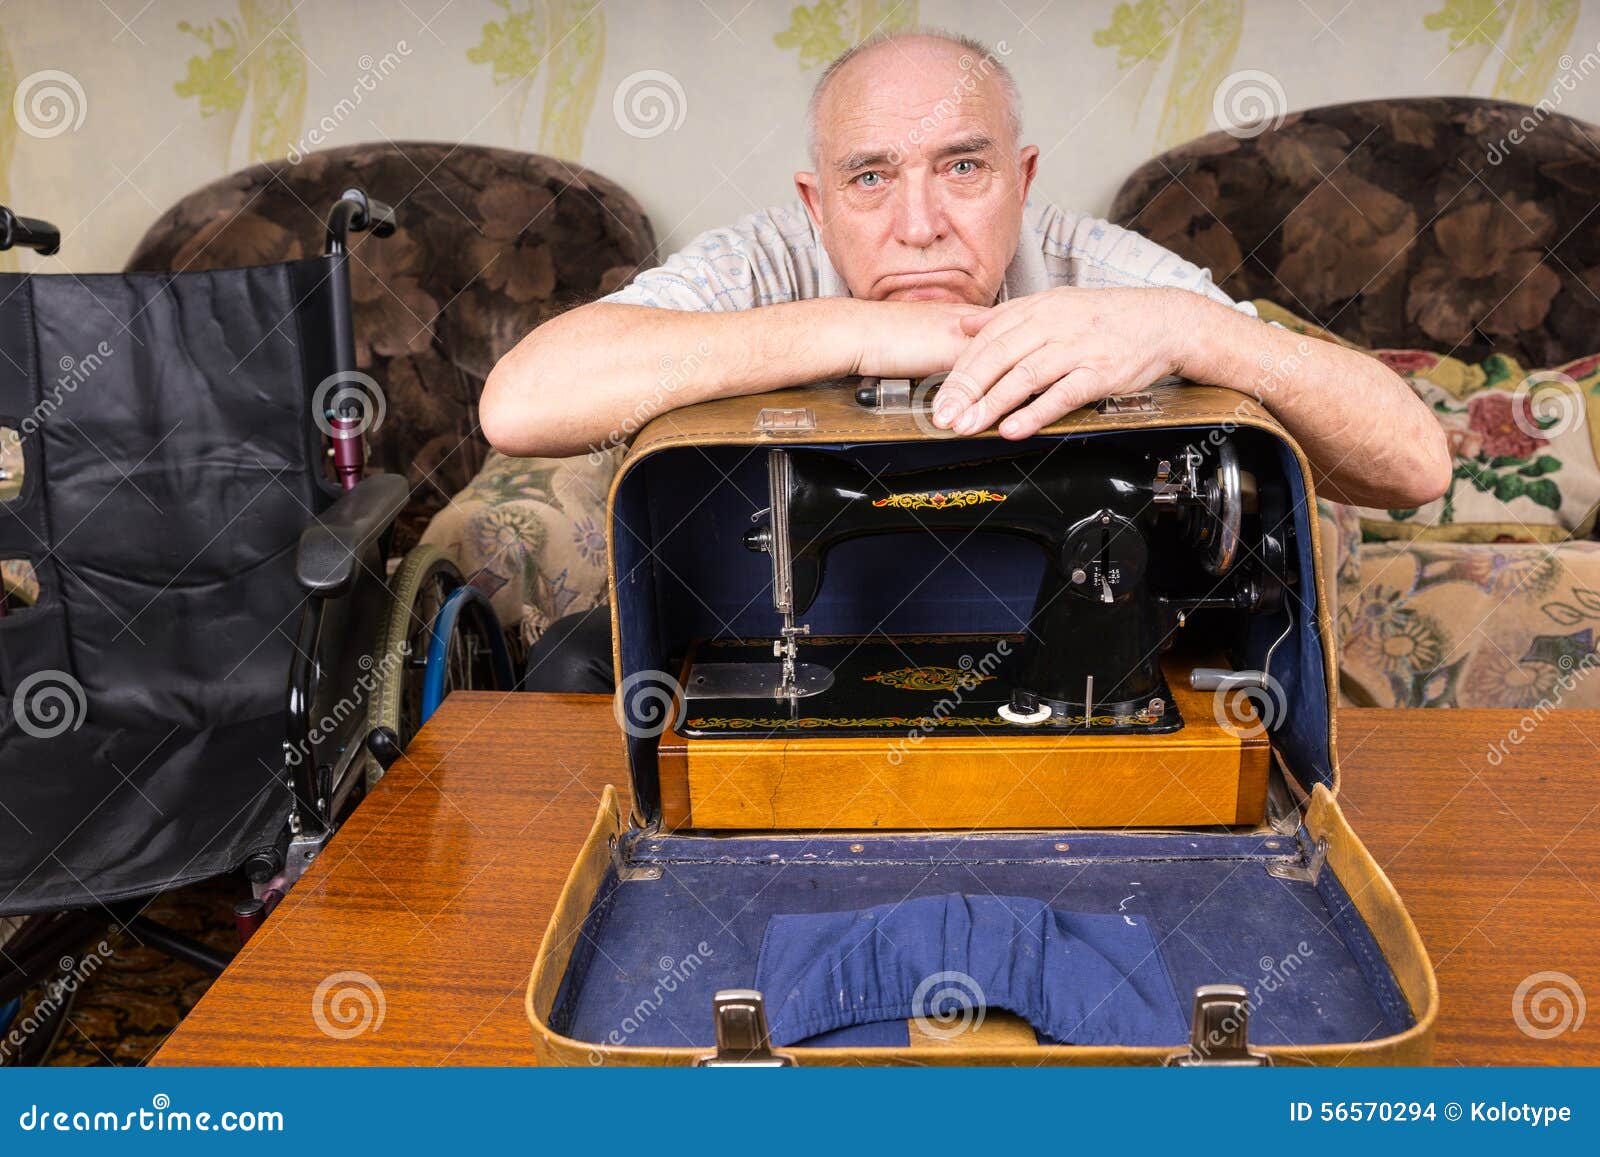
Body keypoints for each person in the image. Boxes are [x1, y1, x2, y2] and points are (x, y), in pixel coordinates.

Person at [482, 28, 1451, 693]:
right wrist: (848, 328)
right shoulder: (765, 261)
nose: (918, 226)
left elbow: (1413, 465)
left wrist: (1198, 333)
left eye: (961, 167)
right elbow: (522, 402)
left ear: (1019, 180)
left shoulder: (1102, 274)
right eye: (869, 177)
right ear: (815, 206)